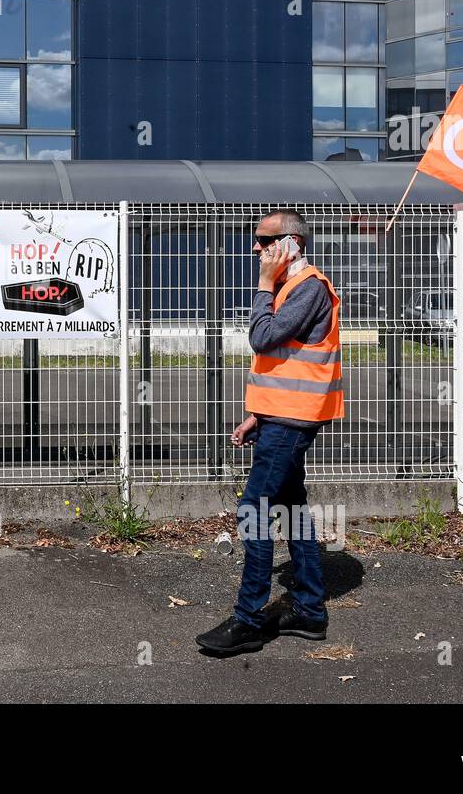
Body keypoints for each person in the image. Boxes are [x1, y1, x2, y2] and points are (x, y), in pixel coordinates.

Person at [196, 208, 344, 656]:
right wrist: (258, 414)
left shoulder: (308, 288)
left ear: (291, 244)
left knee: (252, 512)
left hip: (293, 421)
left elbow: (263, 338)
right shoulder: (292, 288)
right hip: (279, 418)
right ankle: (309, 612)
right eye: (257, 241)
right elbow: (283, 360)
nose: (256, 249)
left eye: (265, 241)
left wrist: (262, 285)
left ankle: (250, 619)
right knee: (290, 508)